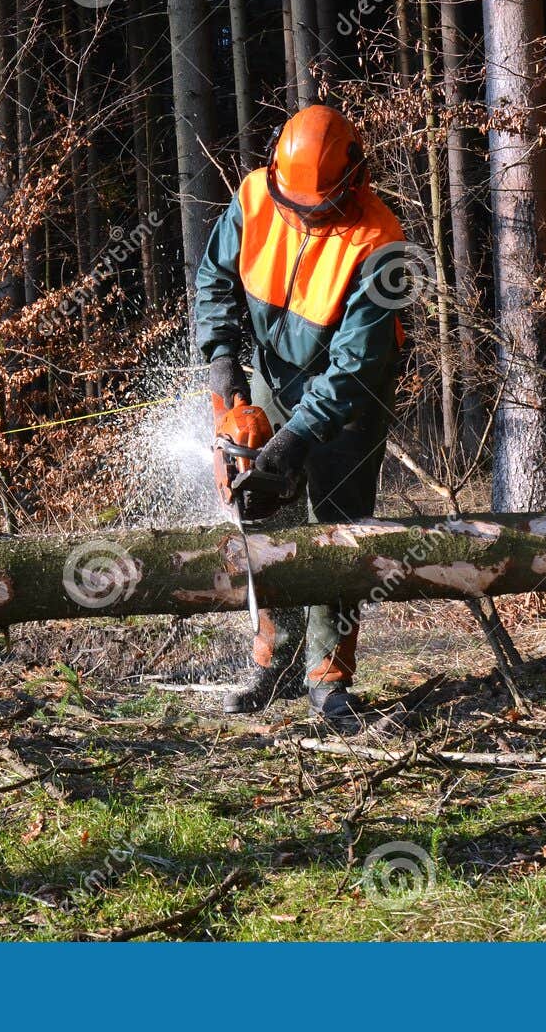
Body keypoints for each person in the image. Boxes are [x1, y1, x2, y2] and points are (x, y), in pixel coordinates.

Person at [194, 104, 412, 727]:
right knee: (263, 515)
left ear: (351, 183)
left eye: (314, 209)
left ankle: (328, 678)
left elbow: (352, 369)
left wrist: (293, 441)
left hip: (350, 397)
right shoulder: (258, 196)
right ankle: (273, 661)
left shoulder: (381, 243)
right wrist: (222, 365)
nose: (301, 217)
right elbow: (215, 277)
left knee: (336, 530)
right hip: (271, 374)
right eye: (295, 205)